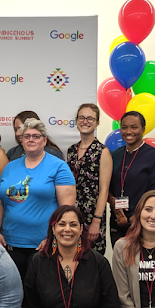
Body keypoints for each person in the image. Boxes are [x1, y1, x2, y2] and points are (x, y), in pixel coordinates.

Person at [0, 117, 75, 308]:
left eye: (36, 136)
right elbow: (0, 200)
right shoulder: (11, 166)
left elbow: (67, 210)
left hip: (43, 246)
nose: (30, 140)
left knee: (43, 295)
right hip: (10, 243)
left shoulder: (58, 166)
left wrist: (52, 239)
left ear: (44, 139)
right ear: (20, 138)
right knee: (14, 295)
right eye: (26, 136)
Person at [108, 111, 155, 245]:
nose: (129, 131)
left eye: (134, 127)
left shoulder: (154, 157)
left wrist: (132, 220)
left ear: (143, 129)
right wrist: (113, 202)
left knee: (139, 263)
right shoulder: (115, 155)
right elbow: (105, 187)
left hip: (144, 222)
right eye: (124, 127)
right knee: (120, 262)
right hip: (117, 220)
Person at [66, 103, 112, 255]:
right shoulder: (71, 150)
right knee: (71, 256)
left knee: (92, 259)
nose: (85, 121)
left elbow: (104, 190)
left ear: (97, 122)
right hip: (73, 214)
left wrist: (96, 221)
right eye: (82, 117)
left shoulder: (102, 151)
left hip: (93, 214)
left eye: (90, 118)